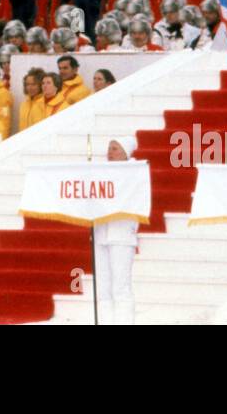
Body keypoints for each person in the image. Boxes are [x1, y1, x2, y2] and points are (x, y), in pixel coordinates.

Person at [92, 136, 140, 325]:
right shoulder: (101, 173)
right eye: (109, 148)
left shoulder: (136, 173)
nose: (109, 153)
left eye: (114, 148)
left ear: (125, 152)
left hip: (121, 235)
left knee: (121, 288)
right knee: (103, 289)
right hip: (101, 233)